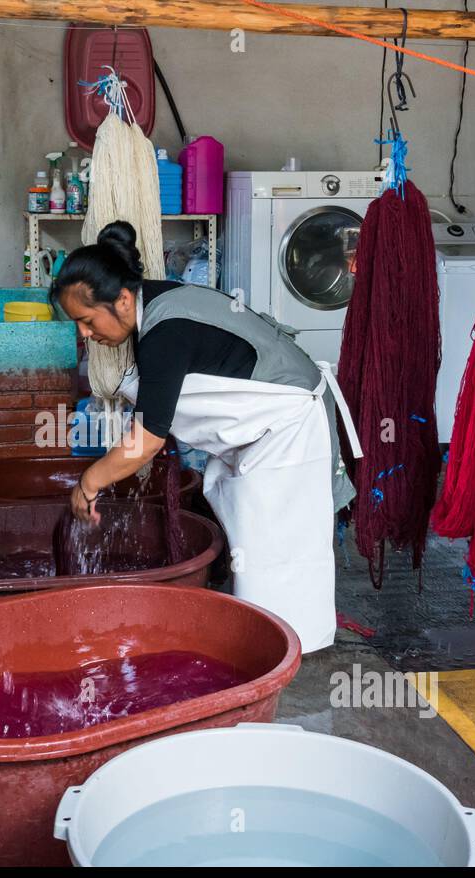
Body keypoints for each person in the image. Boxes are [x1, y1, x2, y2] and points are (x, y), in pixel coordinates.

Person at [50, 221, 361, 653]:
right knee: (254, 552)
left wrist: (89, 484)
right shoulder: (157, 307)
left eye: (86, 320)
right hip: (265, 430)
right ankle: (266, 645)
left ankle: (285, 658)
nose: (84, 334)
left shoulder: (164, 333)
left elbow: (147, 439)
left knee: (278, 557)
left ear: (122, 300)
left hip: (291, 426)